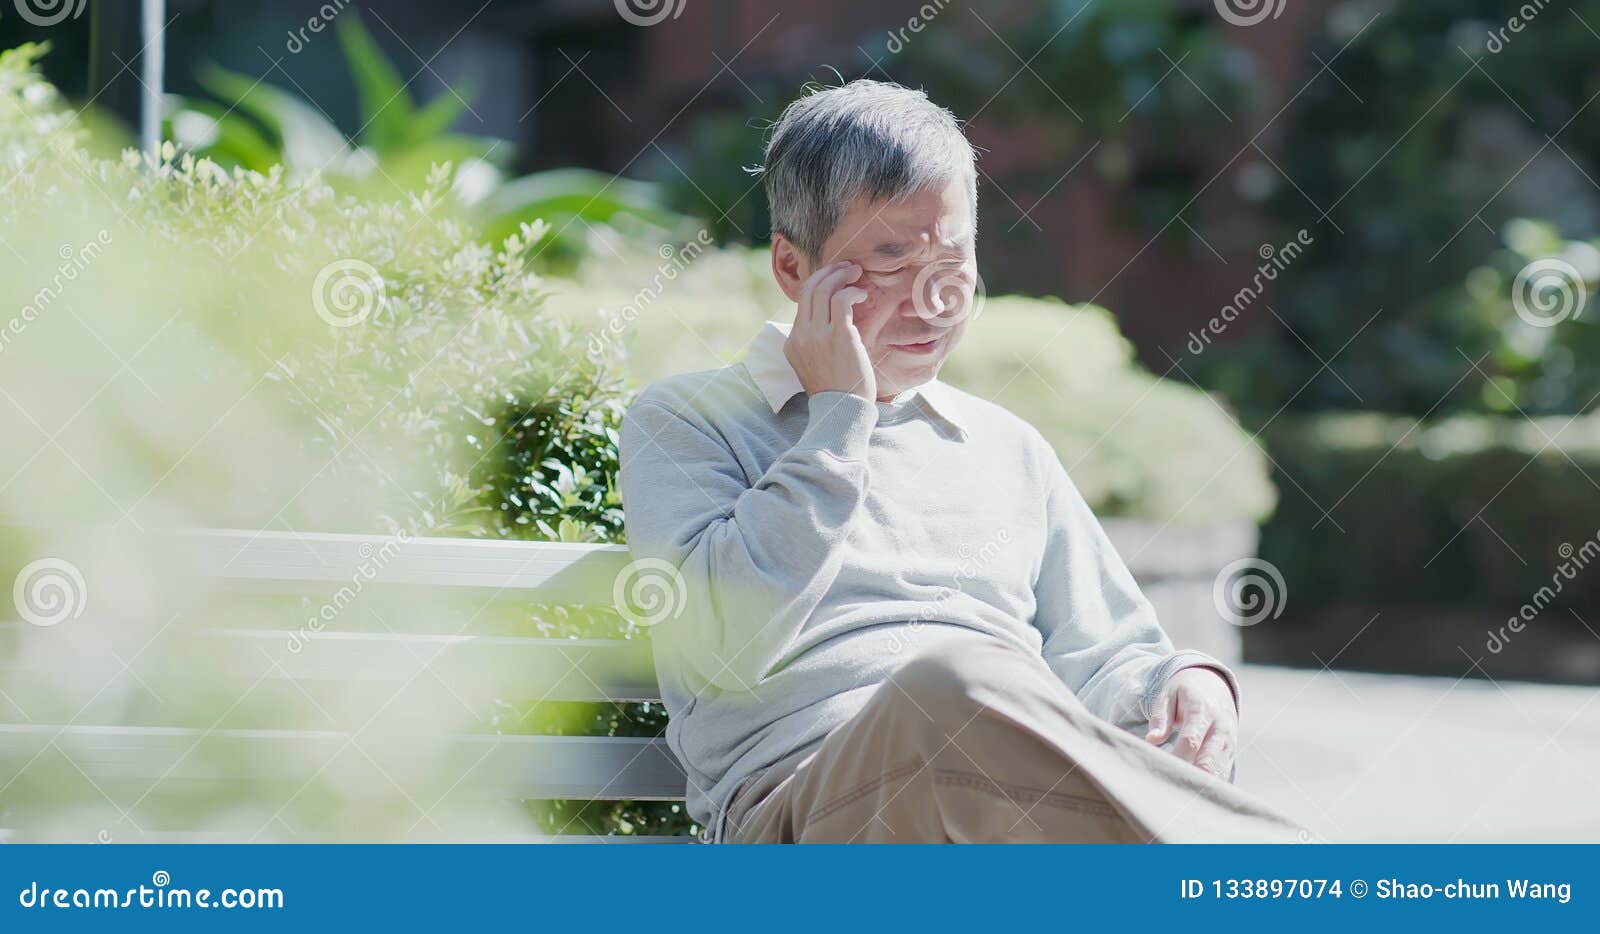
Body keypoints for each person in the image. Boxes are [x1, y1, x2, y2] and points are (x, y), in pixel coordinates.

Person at [618, 79, 1311, 844]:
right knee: (954, 685)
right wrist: (838, 420)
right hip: (799, 816)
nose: (933, 301)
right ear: (793, 270)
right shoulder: (685, 422)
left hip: (994, 817)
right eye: (888, 262)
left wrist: (1180, 682)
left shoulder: (1006, 447)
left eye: (953, 261)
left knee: (975, 690)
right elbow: (719, 646)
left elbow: (1110, 656)